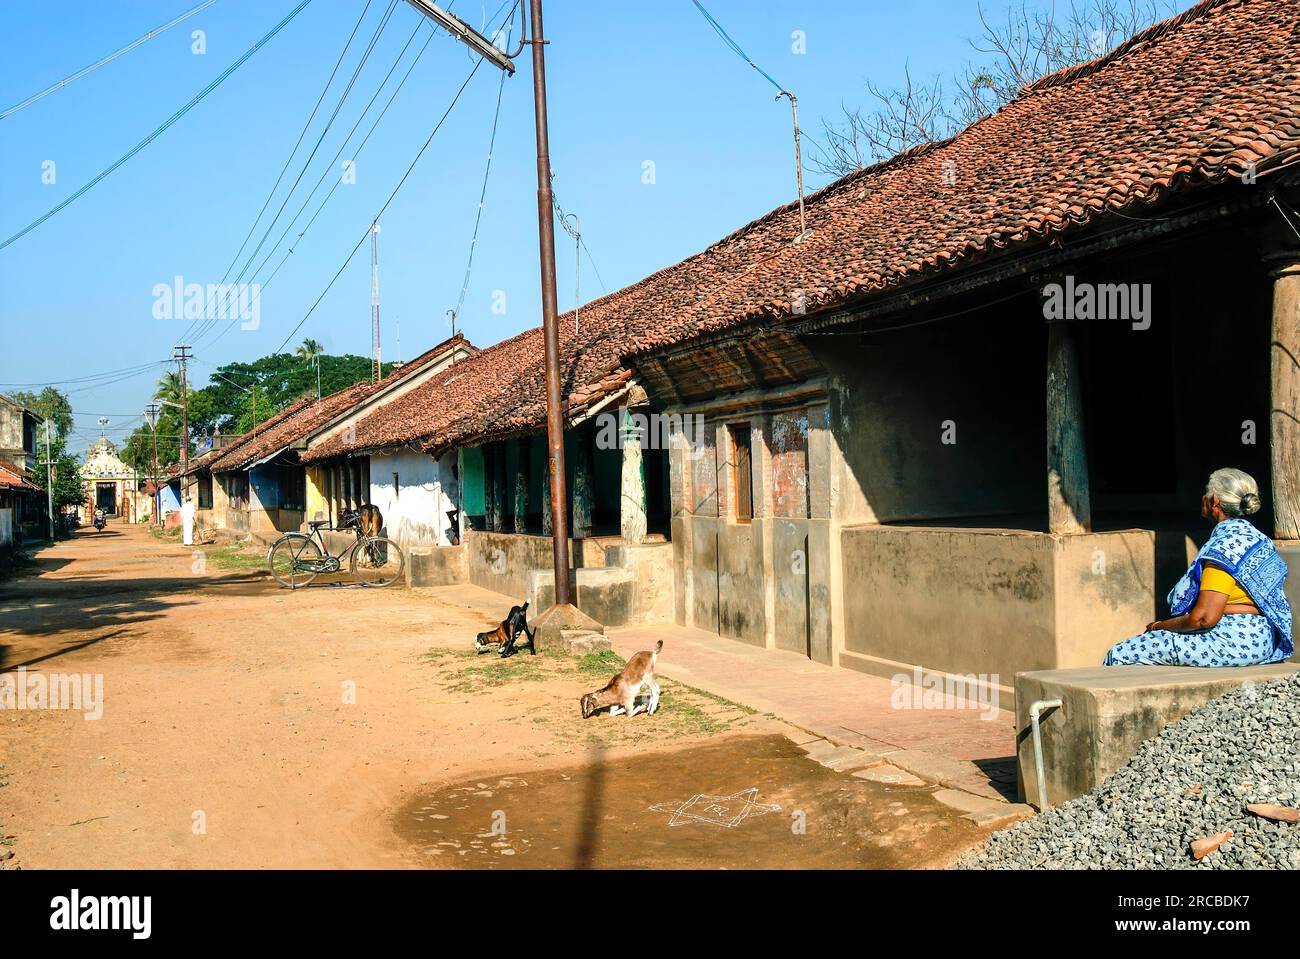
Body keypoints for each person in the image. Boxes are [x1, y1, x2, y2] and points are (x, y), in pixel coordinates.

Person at [1103, 468, 1293, 667]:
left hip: (1232, 642)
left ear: (1214, 502)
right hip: (1263, 638)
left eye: (1206, 493)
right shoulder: (1259, 540)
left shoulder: (1226, 547)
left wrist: (1158, 626)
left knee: (1121, 653)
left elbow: (1203, 619)